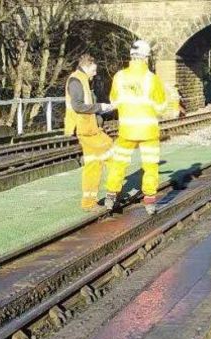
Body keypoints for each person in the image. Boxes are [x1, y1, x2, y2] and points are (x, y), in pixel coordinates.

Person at [105, 39, 168, 215]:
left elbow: (113, 101)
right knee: (150, 165)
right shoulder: (152, 79)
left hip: (126, 130)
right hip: (148, 131)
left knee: (119, 162)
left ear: (131, 56)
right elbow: (161, 107)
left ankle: (111, 194)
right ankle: (149, 200)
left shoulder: (119, 77)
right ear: (146, 58)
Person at [65, 53, 115, 211]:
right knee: (112, 155)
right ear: (86, 66)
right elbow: (78, 106)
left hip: (89, 128)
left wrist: (101, 112)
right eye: (94, 70)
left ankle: (90, 201)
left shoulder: (82, 79)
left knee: (94, 164)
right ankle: (112, 191)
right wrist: (100, 107)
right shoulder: (76, 80)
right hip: (86, 129)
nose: (95, 73)